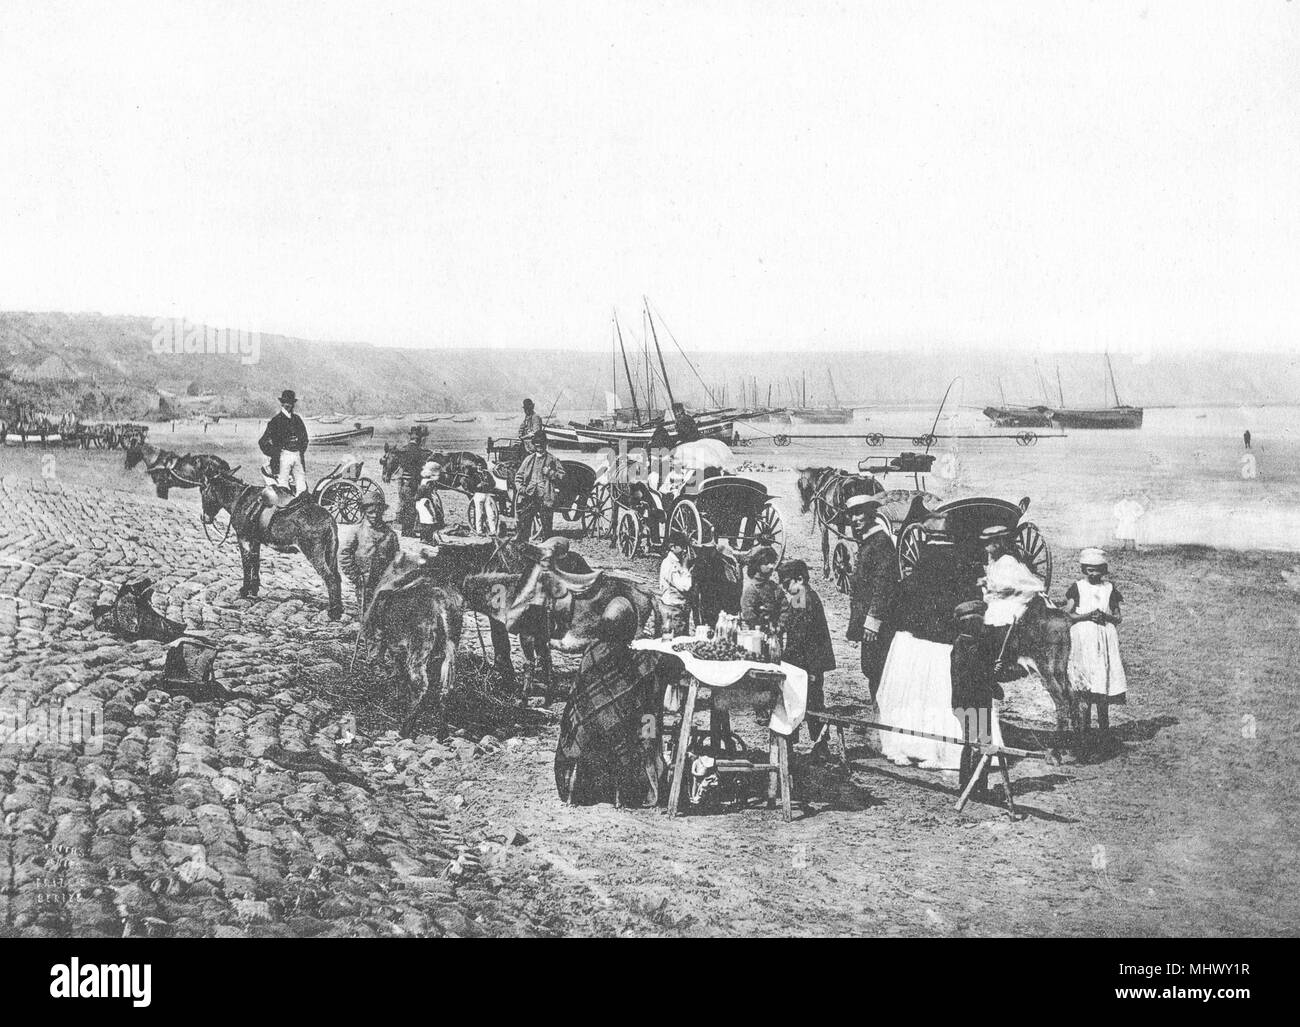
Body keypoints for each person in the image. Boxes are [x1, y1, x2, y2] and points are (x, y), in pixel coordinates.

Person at [1062, 548, 1127, 739]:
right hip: (1083, 637)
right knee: (1085, 682)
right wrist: (1087, 616)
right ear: (1084, 569)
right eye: (1090, 570)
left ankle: (1104, 731)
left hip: (1105, 637)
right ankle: (1084, 731)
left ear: (1104, 570)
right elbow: (1068, 614)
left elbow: (1118, 617)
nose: (1094, 573)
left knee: (1102, 680)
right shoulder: (1078, 587)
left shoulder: (1109, 589)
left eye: (1098, 569)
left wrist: (1105, 616)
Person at [779, 559, 835, 758]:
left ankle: (819, 746)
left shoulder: (803, 597)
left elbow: (804, 637)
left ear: (799, 579)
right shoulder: (801, 595)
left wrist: (811, 670)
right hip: (805, 662)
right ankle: (814, 744)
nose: (786, 589)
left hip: (808, 663)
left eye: (787, 584)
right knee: (807, 702)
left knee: (810, 704)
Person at [844, 494, 897, 701]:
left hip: (878, 622)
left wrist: (872, 621)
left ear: (871, 514)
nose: (855, 519)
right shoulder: (869, 541)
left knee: (877, 668)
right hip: (868, 619)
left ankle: (881, 711)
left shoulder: (880, 542)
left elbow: (884, 584)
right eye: (852, 515)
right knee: (871, 667)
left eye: (859, 514)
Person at [950, 600, 1002, 798]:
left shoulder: (972, 644)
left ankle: (977, 785)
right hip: (969, 703)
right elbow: (972, 677)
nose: (983, 626)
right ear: (969, 624)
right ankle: (969, 786)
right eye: (979, 622)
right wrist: (992, 673)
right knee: (974, 744)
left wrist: (991, 671)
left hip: (976, 702)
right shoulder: (964, 646)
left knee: (981, 742)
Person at [979, 525, 1044, 678]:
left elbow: (1007, 586)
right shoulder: (994, 560)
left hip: (1015, 596)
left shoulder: (1007, 560)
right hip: (1002, 595)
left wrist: (987, 586)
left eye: (989, 543)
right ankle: (994, 655)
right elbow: (994, 578)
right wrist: (986, 581)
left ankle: (1004, 659)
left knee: (997, 614)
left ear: (998, 543)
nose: (986, 547)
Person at [339, 492, 400, 616]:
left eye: (377, 512)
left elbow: (396, 558)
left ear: (382, 512)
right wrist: (355, 576)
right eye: (370, 512)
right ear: (364, 512)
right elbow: (344, 554)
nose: (374, 515)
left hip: (384, 582)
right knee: (365, 615)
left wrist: (391, 577)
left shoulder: (390, 534)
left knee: (382, 614)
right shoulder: (357, 531)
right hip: (364, 582)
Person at [258, 389, 310, 495]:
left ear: (293, 404)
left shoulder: (297, 420)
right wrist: (277, 453)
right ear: (282, 403)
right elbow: (262, 442)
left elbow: (305, 440)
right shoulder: (275, 421)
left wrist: (299, 452)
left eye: (290, 402)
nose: (287, 404)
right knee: (283, 490)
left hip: (297, 458)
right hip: (281, 461)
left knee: (302, 489)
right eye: (285, 402)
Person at [514, 433, 564, 541]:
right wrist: (521, 488)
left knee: (547, 527)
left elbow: (562, 476)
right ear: (534, 445)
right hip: (530, 496)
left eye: (541, 445)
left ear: (545, 444)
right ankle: (523, 547)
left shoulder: (553, 459)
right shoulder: (528, 459)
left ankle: (547, 549)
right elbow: (518, 476)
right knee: (524, 524)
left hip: (545, 497)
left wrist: (550, 473)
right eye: (537, 445)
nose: (539, 447)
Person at [740, 545, 790, 635]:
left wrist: (779, 627)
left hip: (775, 634)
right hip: (756, 634)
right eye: (767, 563)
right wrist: (762, 628)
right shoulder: (752, 589)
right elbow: (748, 613)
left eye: (772, 563)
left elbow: (785, 608)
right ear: (758, 566)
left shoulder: (774, 587)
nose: (771, 566)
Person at [658, 531, 694, 637]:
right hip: (672, 609)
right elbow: (685, 586)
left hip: (679, 608)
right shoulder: (670, 564)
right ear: (672, 547)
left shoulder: (676, 561)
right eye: (681, 546)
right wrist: (685, 568)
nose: (684, 550)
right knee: (675, 640)